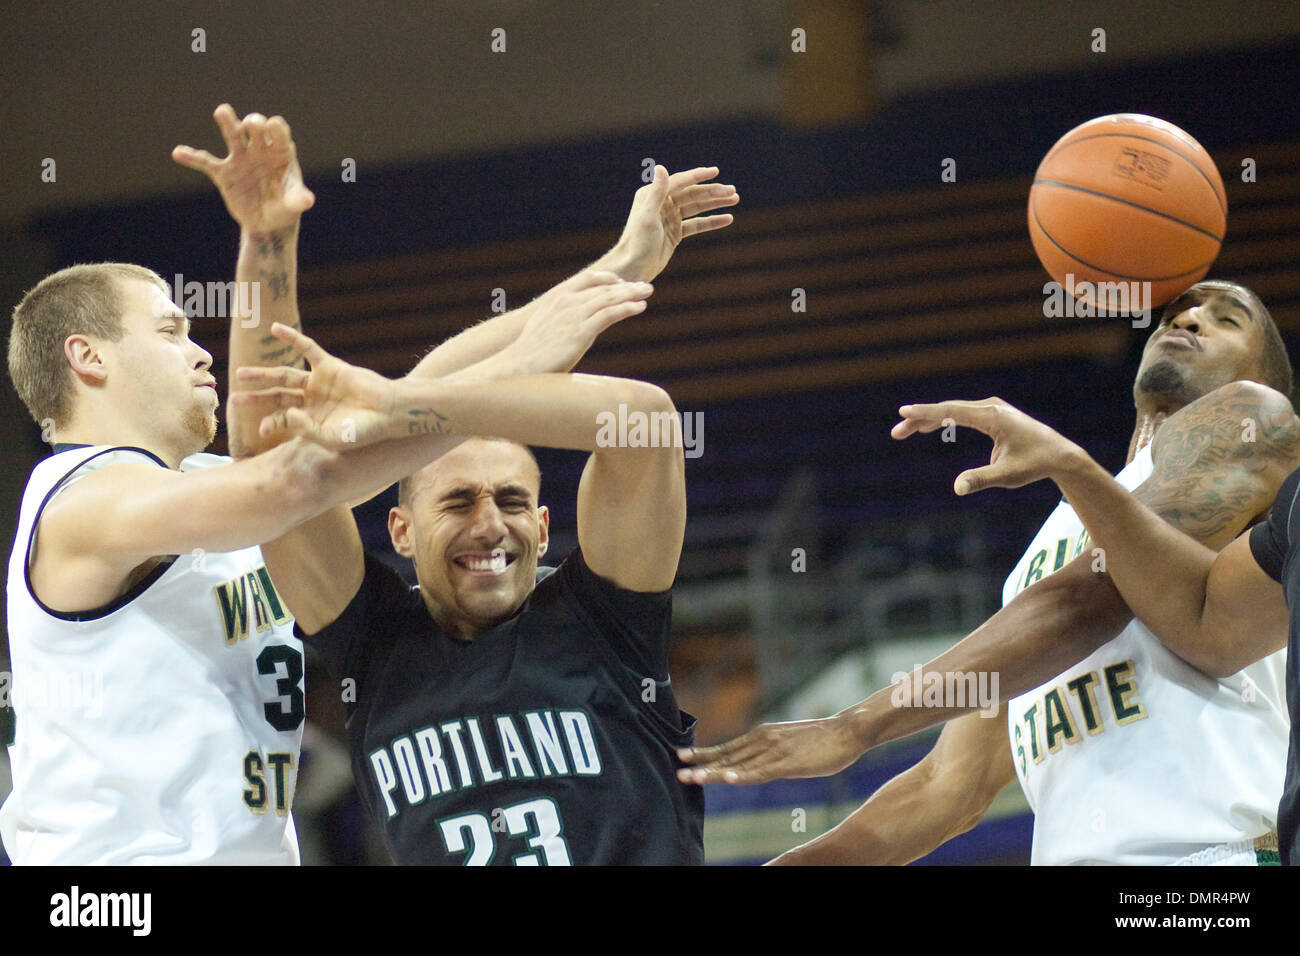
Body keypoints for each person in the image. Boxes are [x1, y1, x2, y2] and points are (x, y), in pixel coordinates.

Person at [0, 106, 688, 865]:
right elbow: (294, 478)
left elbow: (409, 397)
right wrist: (519, 369)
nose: (201, 355)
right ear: (88, 357)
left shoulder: (209, 489)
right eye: (172, 333)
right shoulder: (82, 501)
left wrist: (615, 273)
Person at [678, 281, 1299, 865]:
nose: (1189, 319)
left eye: (1226, 319)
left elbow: (1087, 599)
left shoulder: (1256, 420)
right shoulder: (1054, 539)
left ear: (1266, 378)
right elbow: (948, 784)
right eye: (1176, 313)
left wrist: (855, 727)